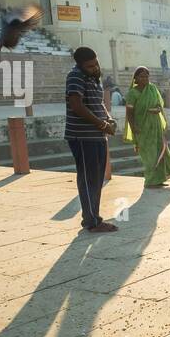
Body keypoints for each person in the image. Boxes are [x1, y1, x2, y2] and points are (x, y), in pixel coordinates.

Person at [65, 47, 118, 233]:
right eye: (90, 66)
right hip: (82, 136)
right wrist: (102, 125)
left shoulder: (94, 77)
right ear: (80, 65)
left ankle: (92, 217)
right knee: (89, 179)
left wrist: (108, 119)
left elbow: (99, 103)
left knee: (97, 179)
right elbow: (76, 105)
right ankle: (91, 221)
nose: (94, 68)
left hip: (97, 136)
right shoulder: (75, 76)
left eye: (96, 64)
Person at [123, 67, 170, 190]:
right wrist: (133, 128)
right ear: (136, 78)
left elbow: (160, 105)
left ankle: (159, 180)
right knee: (149, 156)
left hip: (155, 126)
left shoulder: (152, 89)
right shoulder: (132, 93)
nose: (145, 79)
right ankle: (150, 181)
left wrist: (157, 109)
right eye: (142, 76)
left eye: (147, 76)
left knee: (159, 151)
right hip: (142, 128)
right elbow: (129, 113)